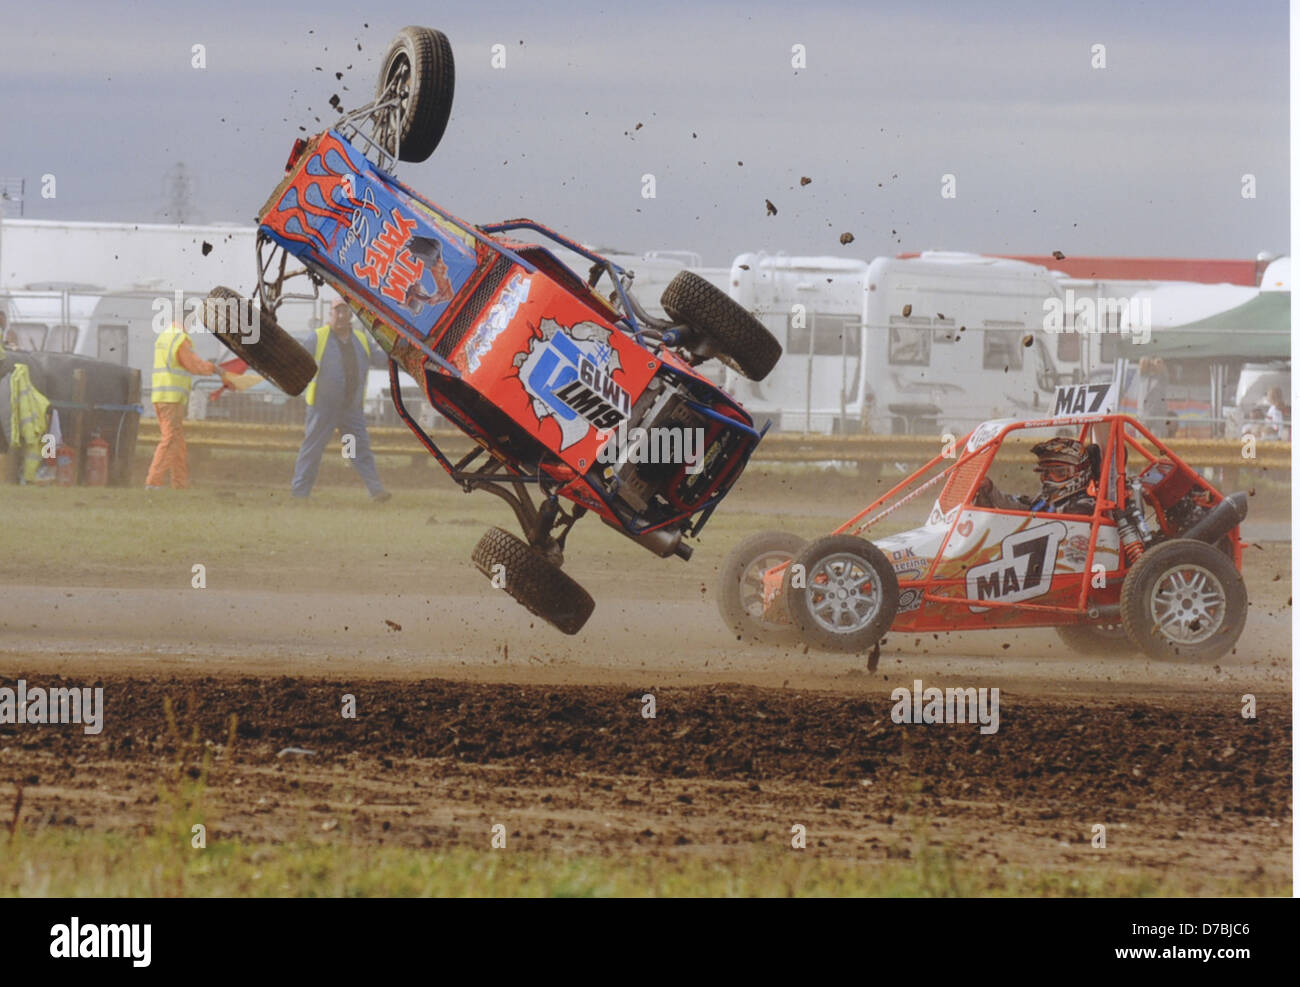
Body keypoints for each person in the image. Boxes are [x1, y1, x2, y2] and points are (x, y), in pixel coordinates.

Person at [291, 299, 390, 501]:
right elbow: (297, 362)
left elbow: (382, 360)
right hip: (322, 409)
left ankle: (376, 491)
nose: (341, 316)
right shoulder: (317, 338)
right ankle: (300, 494)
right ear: (330, 314)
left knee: (358, 450)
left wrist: (398, 346)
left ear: (351, 315)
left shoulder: (362, 340)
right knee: (313, 449)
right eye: (337, 311)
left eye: (345, 311)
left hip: (350, 411)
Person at [145, 322, 221, 489]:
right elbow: (193, 364)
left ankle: (179, 483)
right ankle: (153, 481)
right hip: (172, 398)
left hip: (161, 395)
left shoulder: (165, 335)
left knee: (176, 441)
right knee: (171, 439)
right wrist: (212, 368)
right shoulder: (180, 338)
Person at [976, 438, 1097, 515]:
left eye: (1059, 473)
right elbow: (1019, 505)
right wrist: (990, 489)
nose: (1049, 479)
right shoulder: (1046, 499)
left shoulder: (1082, 506)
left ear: (1079, 473)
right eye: (1046, 473)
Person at [1139, 356, 1171, 438]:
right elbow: (1142, 365)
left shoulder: (1162, 378)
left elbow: (1161, 367)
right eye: (1150, 365)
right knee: (1141, 443)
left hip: (1158, 416)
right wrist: (1145, 362)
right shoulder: (1143, 377)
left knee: (1157, 442)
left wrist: (1157, 363)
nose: (1152, 366)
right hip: (1144, 414)